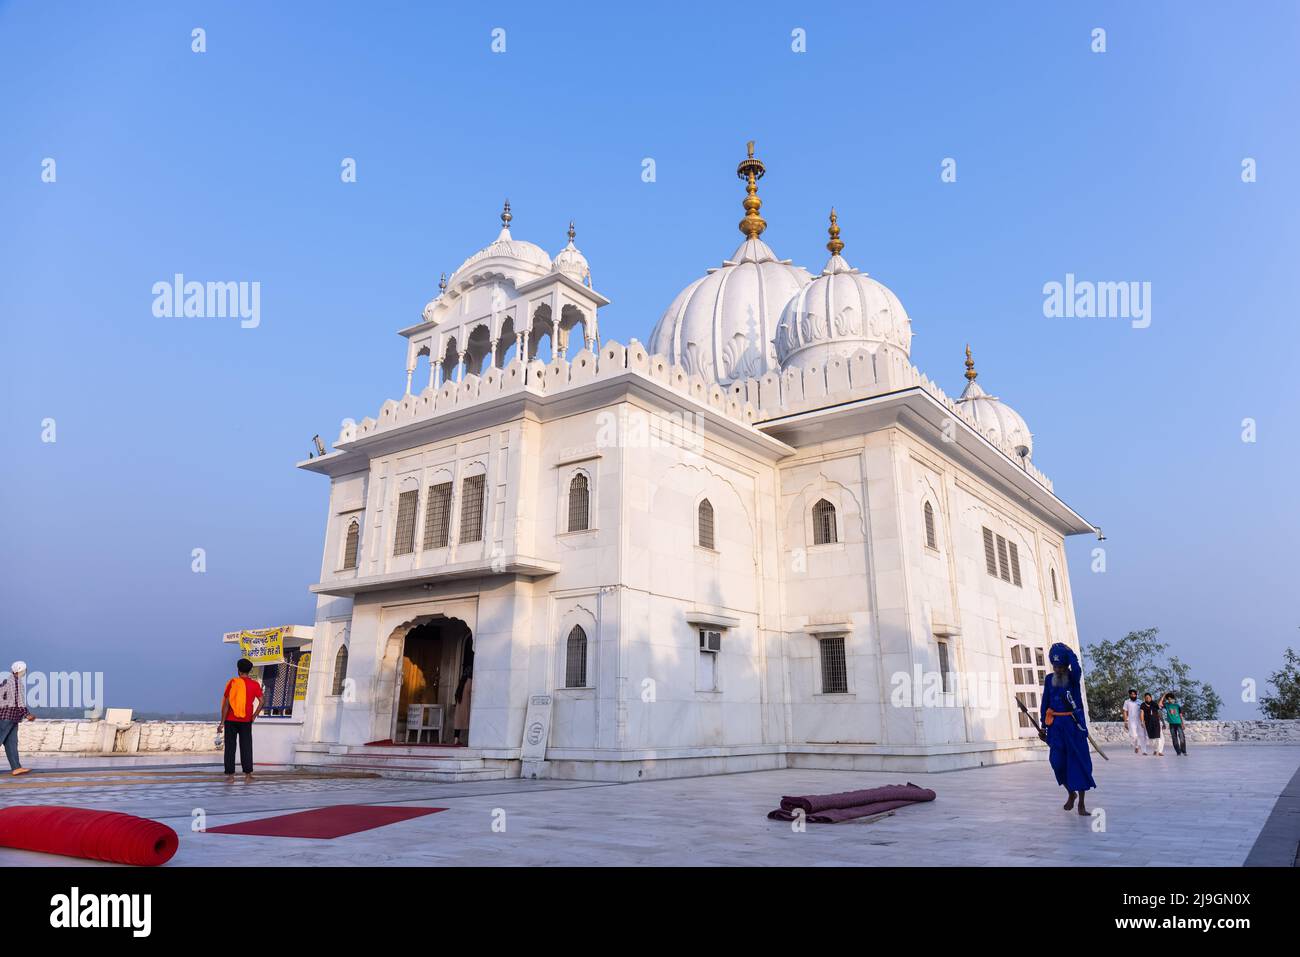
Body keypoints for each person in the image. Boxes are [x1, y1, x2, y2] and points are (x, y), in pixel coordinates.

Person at [1040, 643, 1096, 816]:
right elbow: (1045, 703)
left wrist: (1070, 653)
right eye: (1055, 666)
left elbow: (1077, 667)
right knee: (1057, 762)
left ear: (1066, 666)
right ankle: (1070, 793)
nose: (1057, 670)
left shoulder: (1073, 678)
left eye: (1061, 667)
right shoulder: (1049, 680)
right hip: (1056, 727)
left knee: (1078, 763)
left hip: (1073, 726)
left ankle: (1081, 803)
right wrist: (1044, 725)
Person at [218, 658, 263, 778]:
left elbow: (226, 704)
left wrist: (221, 723)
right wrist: (253, 716)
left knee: (230, 748)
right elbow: (262, 702)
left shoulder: (232, 683)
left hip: (231, 720)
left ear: (238, 670)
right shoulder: (255, 684)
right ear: (249, 671)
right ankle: (248, 775)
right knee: (246, 746)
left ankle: (230, 775)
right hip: (246, 720)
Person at [0, 661, 36, 777]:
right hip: (7, 717)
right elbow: (19, 702)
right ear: (20, 670)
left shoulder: (7, 681)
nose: (25, 672)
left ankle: (16, 768)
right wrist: (27, 714)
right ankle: (16, 767)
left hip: (12, 718)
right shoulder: (17, 683)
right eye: (25, 670)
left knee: (11, 743)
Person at [1140, 692, 1164, 756]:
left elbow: (1159, 708)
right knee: (1151, 738)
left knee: (1158, 737)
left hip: (1156, 722)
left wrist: (1162, 697)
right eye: (1146, 697)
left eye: (1149, 697)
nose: (1147, 698)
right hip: (1148, 723)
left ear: (1151, 697)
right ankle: (1155, 750)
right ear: (1144, 698)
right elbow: (1142, 713)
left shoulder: (1154, 703)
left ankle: (1159, 751)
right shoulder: (1143, 705)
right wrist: (1142, 721)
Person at [1120, 689, 1142, 754]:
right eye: (1131, 694)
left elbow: (1143, 711)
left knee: (1140, 734)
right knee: (1134, 735)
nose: (1133, 695)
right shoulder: (1127, 702)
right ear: (1129, 695)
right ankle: (1136, 746)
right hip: (1131, 720)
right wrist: (1125, 721)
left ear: (1136, 695)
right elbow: (1124, 711)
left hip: (1139, 720)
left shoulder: (1140, 701)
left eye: (1134, 694)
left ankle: (1138, 746)